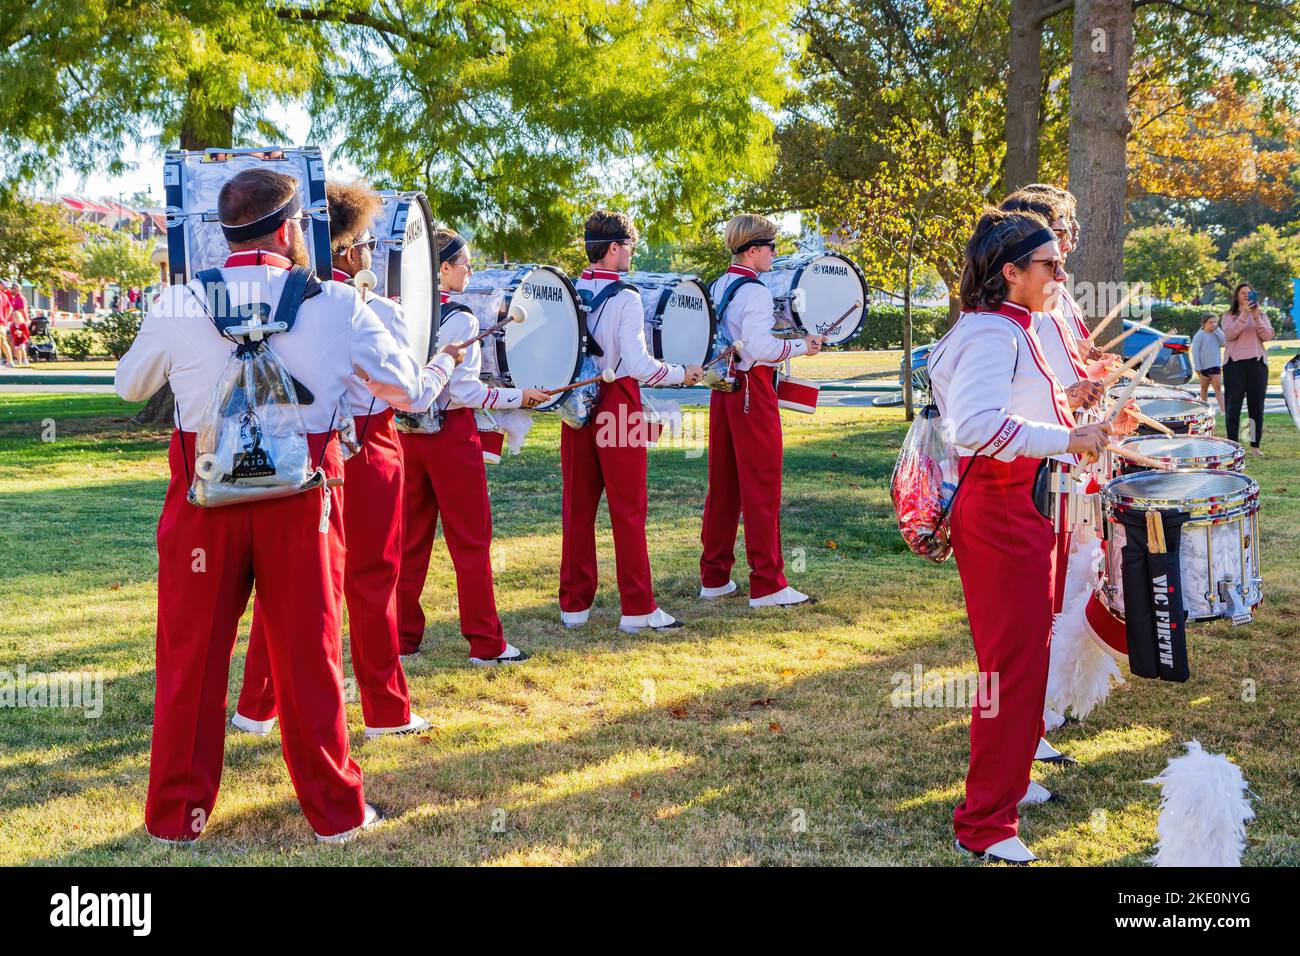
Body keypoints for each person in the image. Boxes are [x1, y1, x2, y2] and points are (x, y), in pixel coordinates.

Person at [115, 167, 463, 844]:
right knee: (310, 660)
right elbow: (409, 394)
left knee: (191, 659)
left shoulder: (182, 301)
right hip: (301, 505)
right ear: (288, 228)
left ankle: (174, 821)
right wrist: (444, 361)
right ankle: (336, 813)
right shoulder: (338, 303)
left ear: (225, 234)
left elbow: (131, 386)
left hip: (201, 505)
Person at [233, 180, 464, 736]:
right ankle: (386, 709)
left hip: (307, 452)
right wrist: (448, 363)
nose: (368, 253)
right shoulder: (370, 307)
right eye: (362, 243)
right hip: (371, 446)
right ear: (348, 248)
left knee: (287, 583)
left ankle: (257, 706)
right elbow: (410, 394)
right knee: (373, 580)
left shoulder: (282, 299)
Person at [927, 208, 1111, 864]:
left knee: (1023, 658)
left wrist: (1070, 401)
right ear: (1010, 272)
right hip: (1002, 508)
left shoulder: (1005, 326)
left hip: (1020, 503)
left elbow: (1011, 406)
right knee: (1011, 667)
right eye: (1049, 265)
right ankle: (983, 824)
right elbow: (975, 425)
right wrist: (1069, 436)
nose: (1061, 273)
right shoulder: (991, 334)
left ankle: (1008, 786)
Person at [396, 227, 548, 664]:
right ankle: (486, 642)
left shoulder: (401, 309)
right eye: (464, 264)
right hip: (450, 437)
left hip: (407, 435)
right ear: (442, 268)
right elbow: (466, 393)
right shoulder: (461, 317)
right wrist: (519, 397)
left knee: (409, 541)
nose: (469, 272)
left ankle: (403, 639)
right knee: (471, 541)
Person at [559, 209, 702, 632]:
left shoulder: (571, 290)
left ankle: (574, 606)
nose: (631, 255)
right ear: (615, 248)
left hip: (576, 401)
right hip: (619, 400)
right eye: (630, 247)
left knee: (577, 508)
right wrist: (680, 373)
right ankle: (638, 609)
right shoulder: (627, 296)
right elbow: (637, 363)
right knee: (628, 509)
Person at [699, 214, 824, 609]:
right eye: (771, 247)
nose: (775, 253)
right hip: (753, 390)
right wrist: (803, 345)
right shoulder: (754, 291)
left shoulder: (720, 284)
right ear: (753, 250)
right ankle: (767, 583)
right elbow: (761, 348)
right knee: (761, 487)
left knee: (724, 486)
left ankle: (714, 576)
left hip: (724, 390)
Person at [1221, 283, 1274, 456]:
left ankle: (1255, 445)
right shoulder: (1229, 316)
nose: (1246, 295)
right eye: (1242, 293)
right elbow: (1229, 334)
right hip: (1234, 365)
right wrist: (1244, 314)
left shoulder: (1262, 315)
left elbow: (1268, 335)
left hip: (1257, 365)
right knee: (1233, 407)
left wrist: (1256, 316)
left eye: (1249, 293)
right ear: (1237, 296)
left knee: (1256, 406)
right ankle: (1232, 446)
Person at [1191, 314, 1226, 412]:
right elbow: (1195, 352)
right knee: (1204, 389)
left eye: (1215, 322)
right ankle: (1204, 410)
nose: (1213, 324)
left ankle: (1224, 411)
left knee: (1218, 389)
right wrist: (1197, 367)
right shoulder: (1199, 335)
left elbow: (1224, 343)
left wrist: (1218, 332)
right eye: (1210, 322)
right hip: (1203, 368)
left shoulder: (1216, 334)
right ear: (1204, 323)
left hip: (1215, 366)